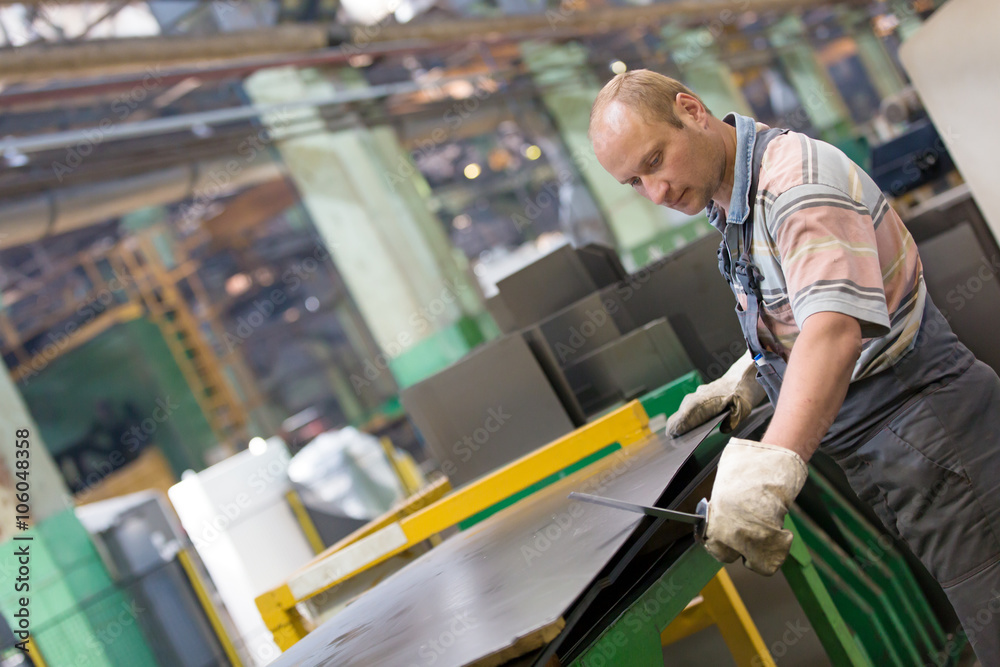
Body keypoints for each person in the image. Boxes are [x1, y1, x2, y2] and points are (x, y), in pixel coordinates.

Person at [588, 69, 1000, 664]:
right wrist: (756, 372)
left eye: (656, 160)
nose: (656, 192)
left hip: (933, 431)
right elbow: (803, 304)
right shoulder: (734, 193)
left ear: (692, 109)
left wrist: (772, 466)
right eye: (634, 182)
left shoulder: (793, 185)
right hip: (894, 448)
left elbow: (833, 331)